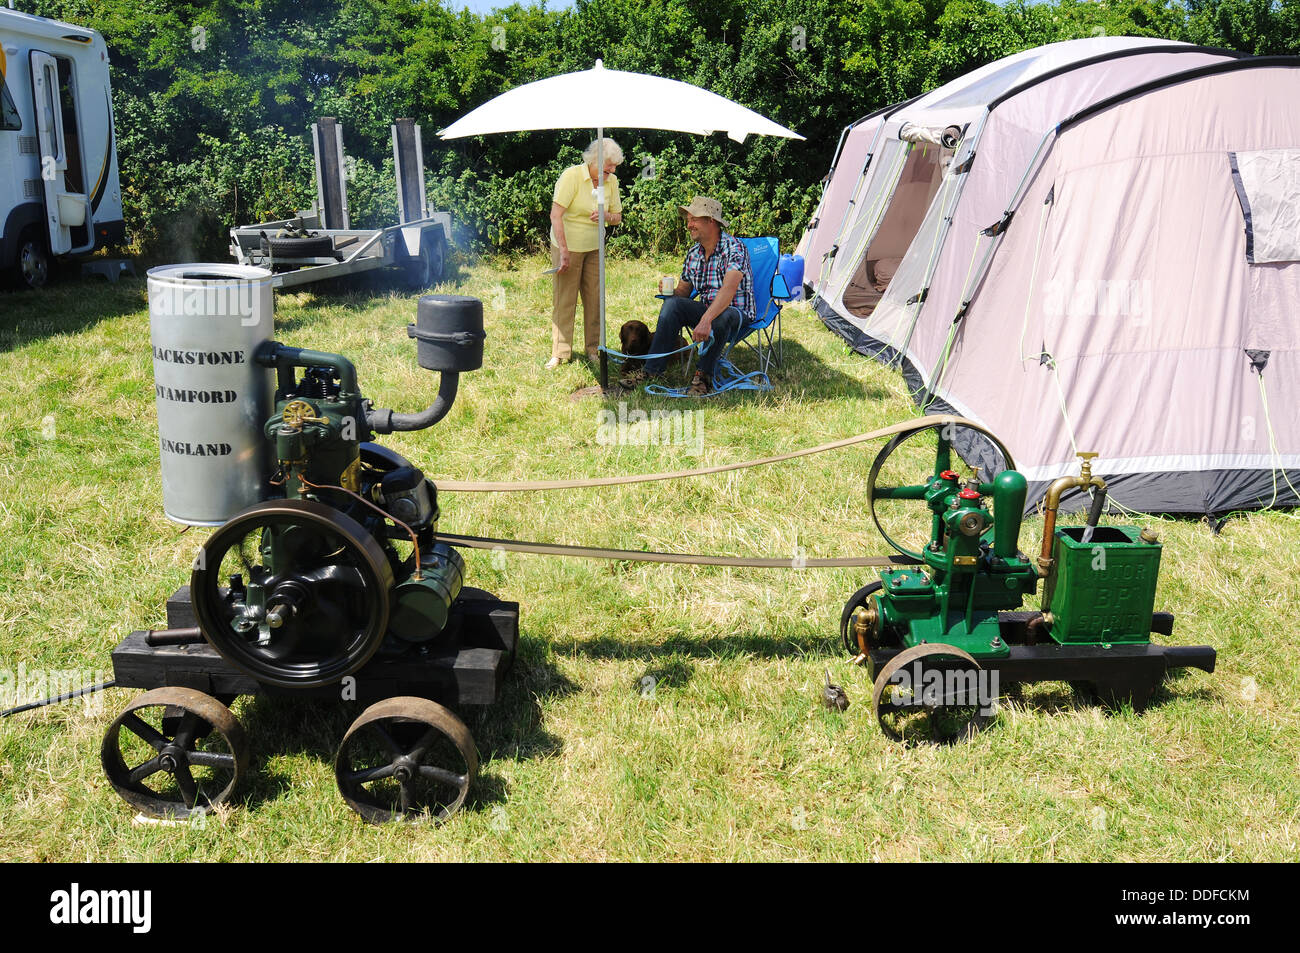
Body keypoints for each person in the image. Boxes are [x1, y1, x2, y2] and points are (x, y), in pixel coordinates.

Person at [624, 196, 753, 396]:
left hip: (737, 312)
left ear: (711, 221)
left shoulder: (734, 248)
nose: (688, 225)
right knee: (673, 305)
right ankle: (652, 371)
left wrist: (706, 319)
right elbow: (683, 293)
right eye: (688, 220)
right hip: (707, 311)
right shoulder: (694, 253)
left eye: (693, 220)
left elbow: (729, 289)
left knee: (722, 315)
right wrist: (670, 292)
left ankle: (703, 377)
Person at [547, 138, 624, 369]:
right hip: (567, 245)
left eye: (614, 167)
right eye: (608, 166)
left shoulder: (611, 182)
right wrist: (563, 251)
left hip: (595, 247)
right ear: (594, 161)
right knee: (565, 300)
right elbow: (555, 215)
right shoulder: (572, 176)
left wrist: (606, 217)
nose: (611, 170)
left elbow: (617, 217)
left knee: (594, 300)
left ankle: (594, 349)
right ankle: (560, 353)